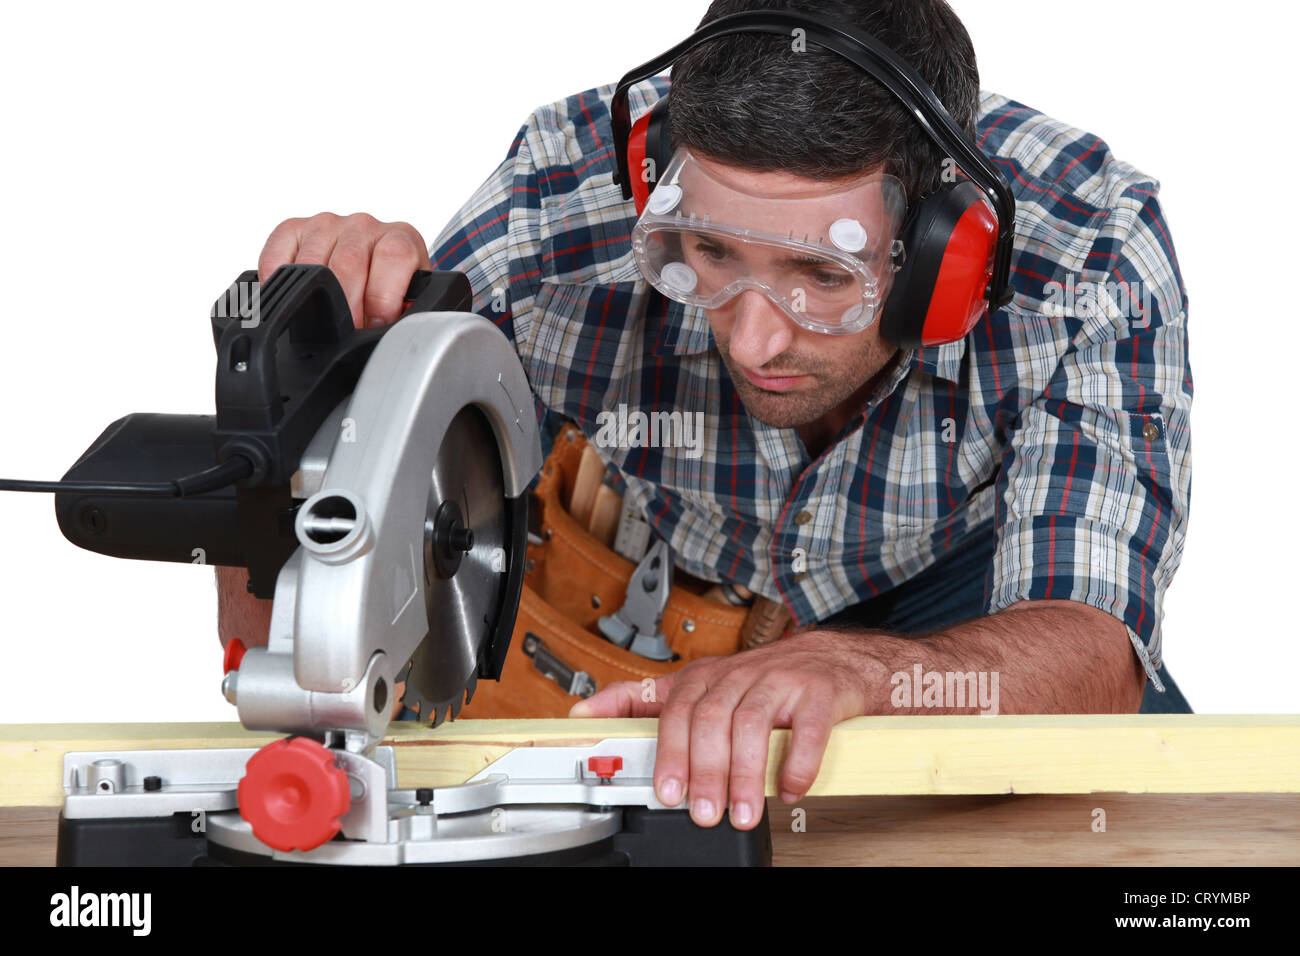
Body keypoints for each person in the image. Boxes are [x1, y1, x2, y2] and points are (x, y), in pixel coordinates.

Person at [219, 0, 1192, 833]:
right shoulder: (559, 205)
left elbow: (1093, 647)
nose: (754, 340)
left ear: (948, 256)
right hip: (670, 592)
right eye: (712, 255)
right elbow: (324, 570)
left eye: (820, 274)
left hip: (966, 598)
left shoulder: (1086, 250)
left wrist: (877, 673)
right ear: (656, 184)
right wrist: (300, 389)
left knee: (1162, 825)